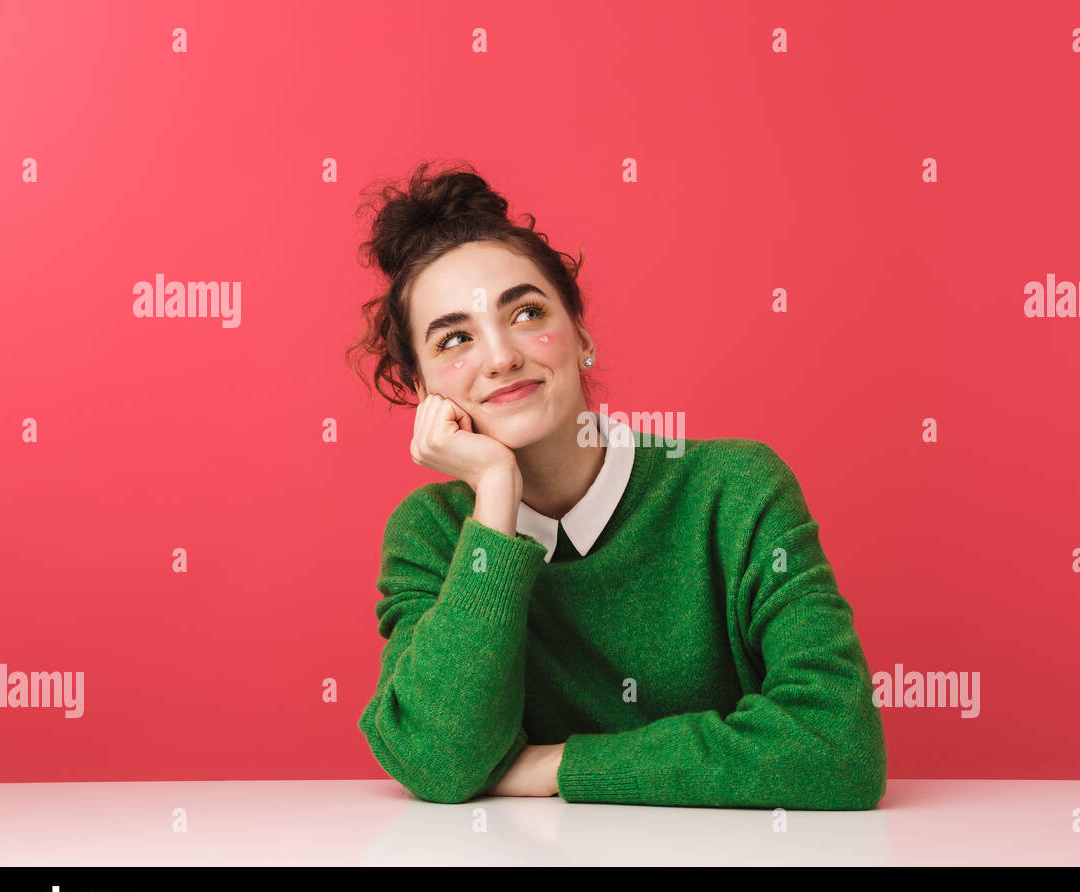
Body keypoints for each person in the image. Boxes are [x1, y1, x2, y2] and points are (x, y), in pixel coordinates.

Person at [346, 160, 887, 809]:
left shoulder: (733, 489)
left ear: (580, 333)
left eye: (525, 313)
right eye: (455, 338)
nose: (500, 357)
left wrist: (560, 766)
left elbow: (836, 748)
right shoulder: (431, 532)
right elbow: (438, 760)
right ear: (422, 388)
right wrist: (495, 494)